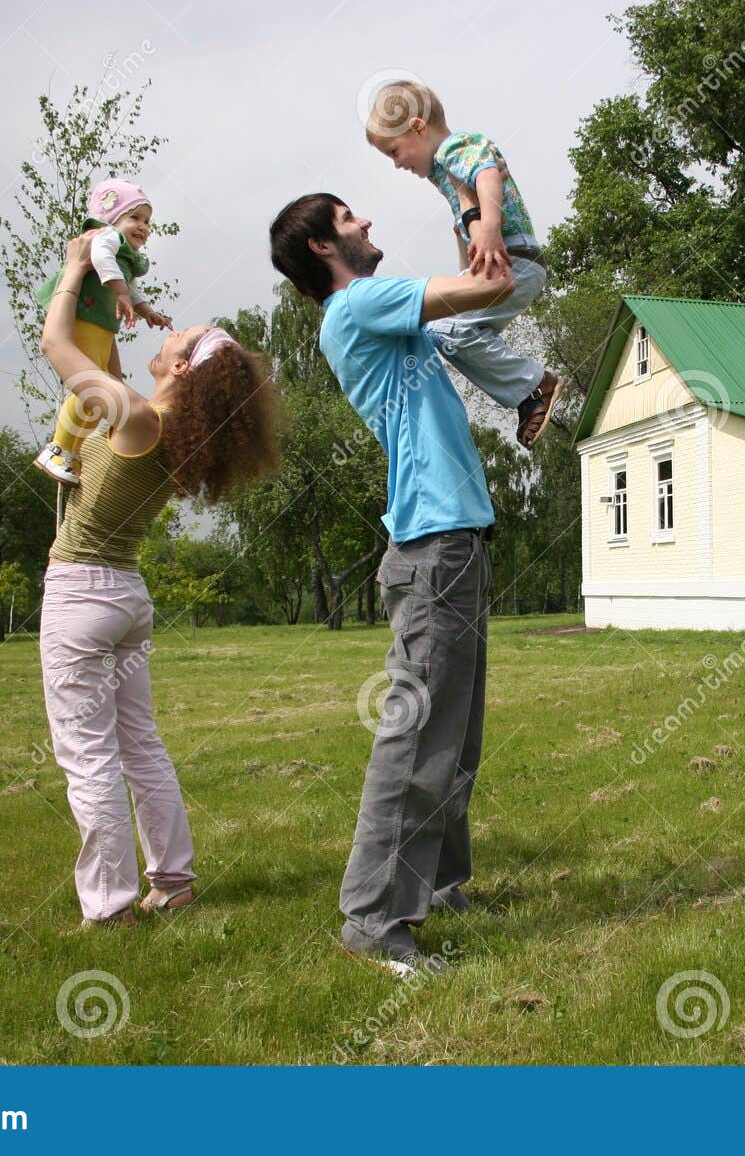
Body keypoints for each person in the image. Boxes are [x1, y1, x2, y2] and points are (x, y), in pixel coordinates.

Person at [269, 192, 509, 975]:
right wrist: (488, 218)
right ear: (319, 248)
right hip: (434, 549)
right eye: (347, 217)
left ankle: (438, 885)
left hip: (451, 544)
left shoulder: (373, 312)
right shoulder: (359, 302)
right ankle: (372, 918)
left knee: (455, 737)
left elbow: (465, 322)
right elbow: (488, 290)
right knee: (415, 737)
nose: (366, 221)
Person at [38, 230, 278, 927]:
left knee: (88, 755)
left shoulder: (140, 418)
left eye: (185, 335)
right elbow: (97, 359)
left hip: (81, 596)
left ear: (183, 367)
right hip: (125, 599)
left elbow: (60, 350)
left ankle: (110, 907)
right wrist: (107, 303)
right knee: (138, 743)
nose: (174, 331)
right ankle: (172, 880)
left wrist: (73, 269)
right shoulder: (161, 425)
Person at [364, 80, 563, 449]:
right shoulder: (443, 172)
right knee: (448, 329)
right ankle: (528, 390)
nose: (396, 164)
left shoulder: (453, 148)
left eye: (394, 151)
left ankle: (536, 384)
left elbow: (487, 172)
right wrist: (466, 269)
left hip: (515, 259)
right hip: (511, 261)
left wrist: (488, 226)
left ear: (419, 127)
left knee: (447, 331)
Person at [33, 179, 173, 486]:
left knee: (99, 397)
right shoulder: (107, 237)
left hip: (101, 327)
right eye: (135, 218)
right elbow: (99, 256)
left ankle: (70, 451)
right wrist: (121, 294)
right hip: (86, 319)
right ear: (112, 218)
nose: (143, 227)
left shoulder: (125, 260)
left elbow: (132, 288)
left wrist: (146, 310)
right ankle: (57, 449)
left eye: (147, 221)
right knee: (92, 390)